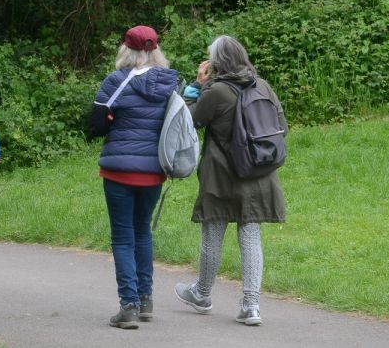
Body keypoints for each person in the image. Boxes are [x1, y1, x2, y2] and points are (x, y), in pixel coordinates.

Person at [175, 35, 286, 327]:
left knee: (213, 235)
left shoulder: (216, 91)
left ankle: (201, 293)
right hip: (259, 174)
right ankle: (251, 306)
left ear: (216, 62)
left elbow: (188, 121)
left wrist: (196, 86)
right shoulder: (263, 86)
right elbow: (281, 126)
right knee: (250, 238)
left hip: (221, 175)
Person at [90, 25, 178, 330]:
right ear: (155, 50)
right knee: (143, 232)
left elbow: (95, 125)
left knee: (123, 237)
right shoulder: (170, 83)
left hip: (118, 170)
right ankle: (145, 301)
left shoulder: (116, 81)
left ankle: (127, 306)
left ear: (126, 49)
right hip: (154, 171)